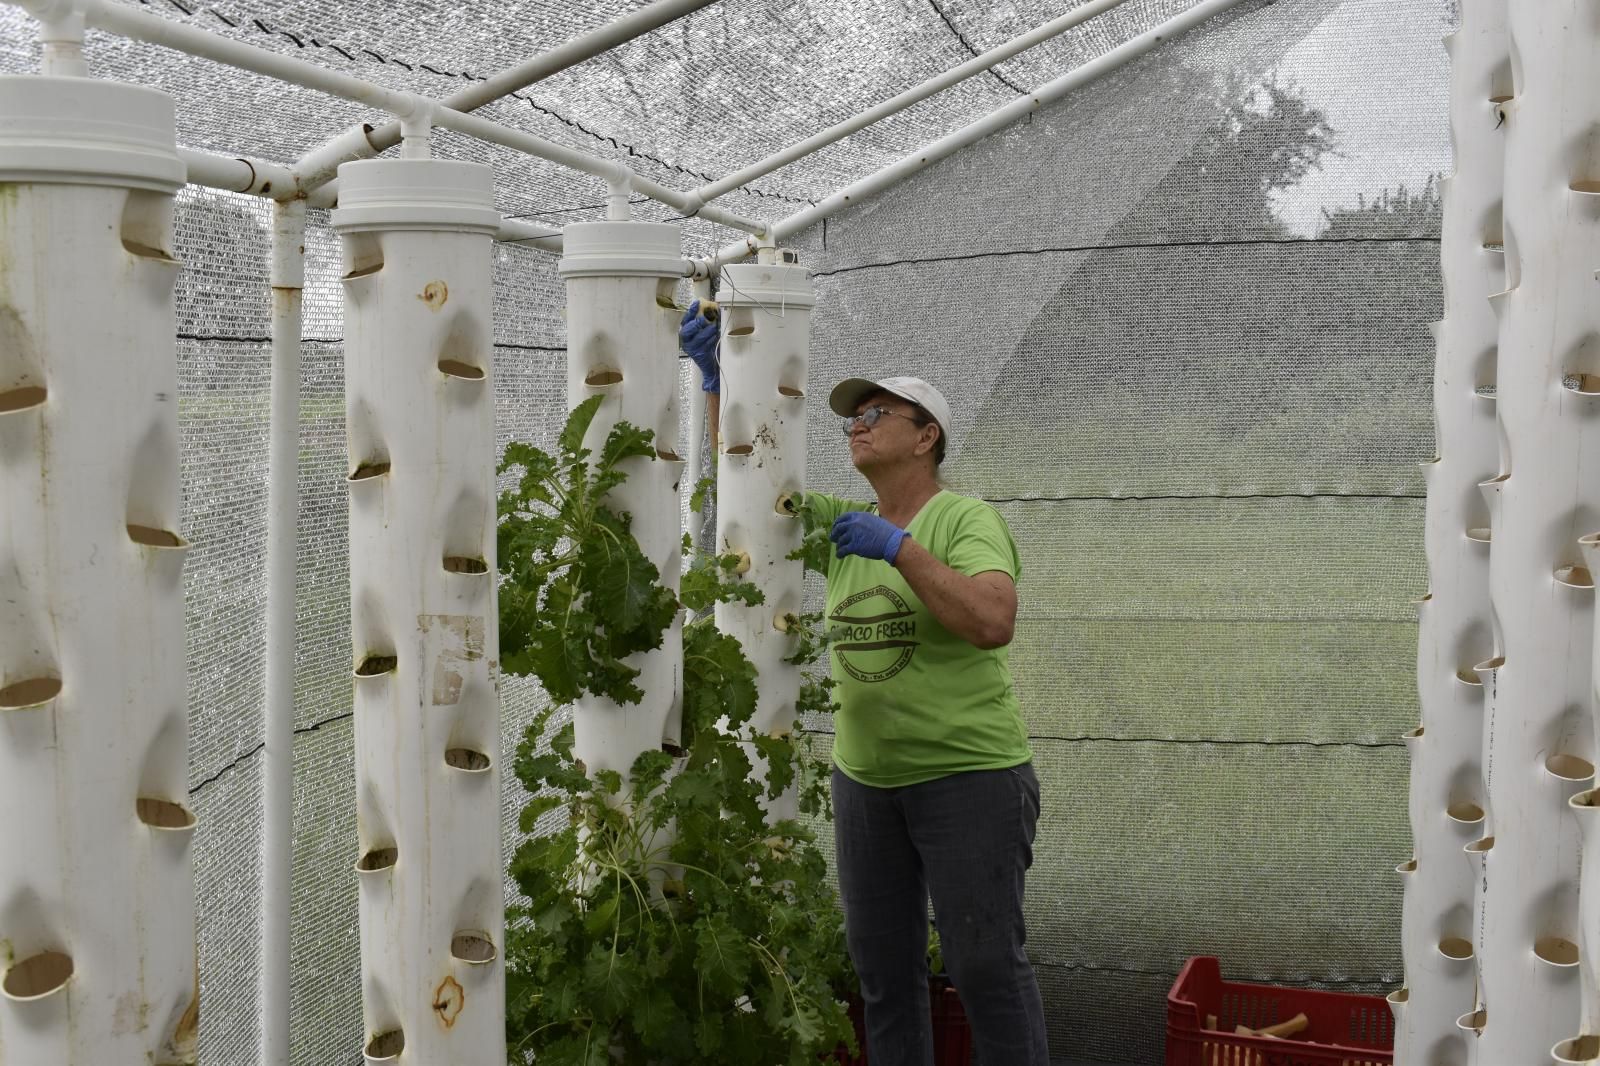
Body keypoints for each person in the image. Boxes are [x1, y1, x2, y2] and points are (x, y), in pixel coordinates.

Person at [681, 303, 1049, 1066]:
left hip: (968, 779)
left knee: (985, 968)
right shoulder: (845, 525)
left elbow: (991, 619)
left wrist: (901, 550)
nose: (858, 424)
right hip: (867, 786)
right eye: (852, 416)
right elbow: (749, 488)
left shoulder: (961, 519)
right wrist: (725, 382)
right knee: (883, 975)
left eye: (879, 413)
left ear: (927, 435)